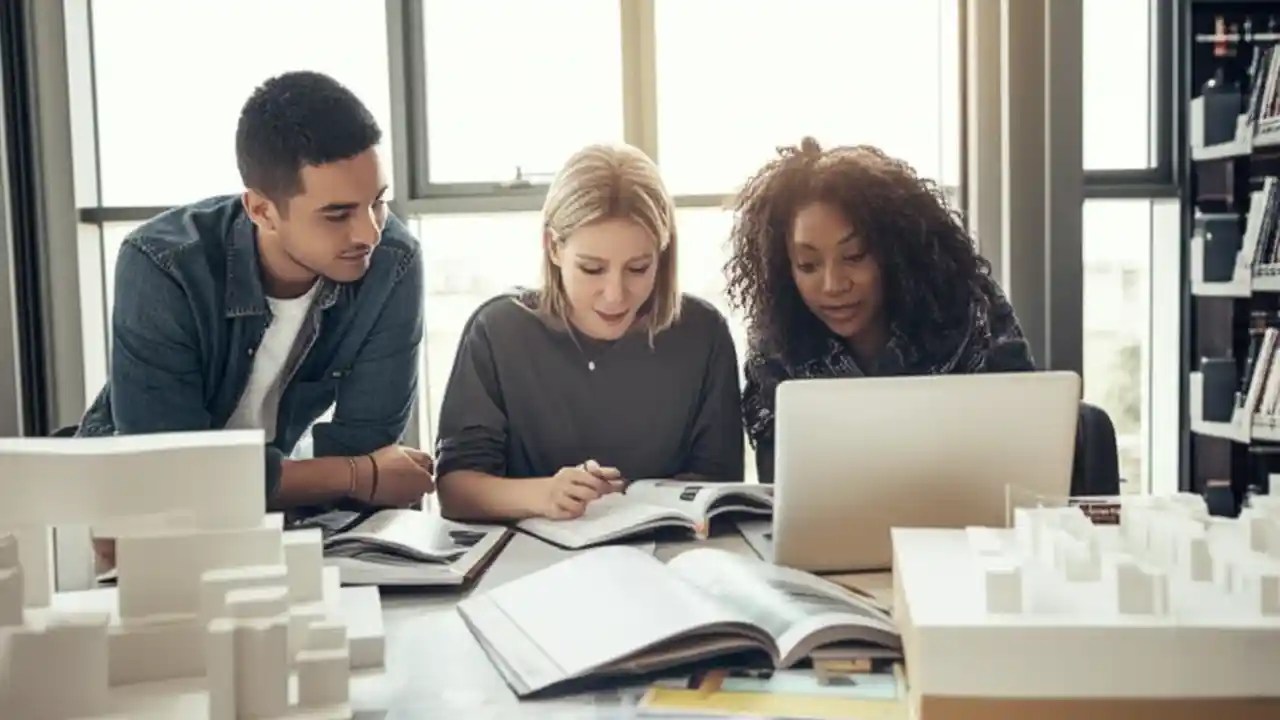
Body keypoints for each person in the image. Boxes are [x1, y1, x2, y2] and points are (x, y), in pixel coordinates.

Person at [77, 71, 435, 565]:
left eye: (378, 201)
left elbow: (367, 444)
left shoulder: (392, 263)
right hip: (128, 514)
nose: (369, 232)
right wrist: (355, 474)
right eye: (337, 214)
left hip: (270, 518)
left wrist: (350, 473)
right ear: (263, 210)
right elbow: (164, 471)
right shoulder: (162, 263)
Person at [435, 143, 744, 522]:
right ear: (553, 247)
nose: (615, 295)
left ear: (662, 255)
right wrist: (542, 494)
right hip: (526, 565)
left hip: (665, 559)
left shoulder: (703, 334)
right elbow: (455, 489)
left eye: (638, 268)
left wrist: (633, 499)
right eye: (592, 269)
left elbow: (720, 484)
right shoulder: (498, 331)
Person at [724, 138, 1036, 483]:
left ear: (896, 252)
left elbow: (1026, 438)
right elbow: (780, 487)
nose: (833, 285)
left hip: (972, 530)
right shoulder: (776, 346)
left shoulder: (970, 310)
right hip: (833, 533)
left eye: (855, 256)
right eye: (808, 265)